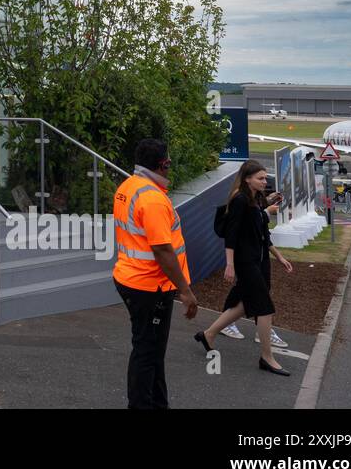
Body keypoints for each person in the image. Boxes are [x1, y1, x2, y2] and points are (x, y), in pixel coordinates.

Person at [111, 138, 198, 409]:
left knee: (151, 350)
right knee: (147, 353)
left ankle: (158, 404)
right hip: (150, 287)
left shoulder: (128, 187)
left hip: (130, 277)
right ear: (164, 164)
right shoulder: (153, 199)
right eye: (169, 163)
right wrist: (185, 291)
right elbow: (163, 251)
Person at [195, 160, 295, 375]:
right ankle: (267, 357)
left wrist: (279, 256)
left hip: (260, 260)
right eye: (260, 178)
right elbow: (231, 234)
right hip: (246, 261)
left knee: (243, 304)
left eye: (265, 177)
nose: (264, 181)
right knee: (264, 306)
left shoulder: (256, 199)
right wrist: (229, 264)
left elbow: (262, 234)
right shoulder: (240, 199)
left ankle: (209, 334)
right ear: (247, 178)